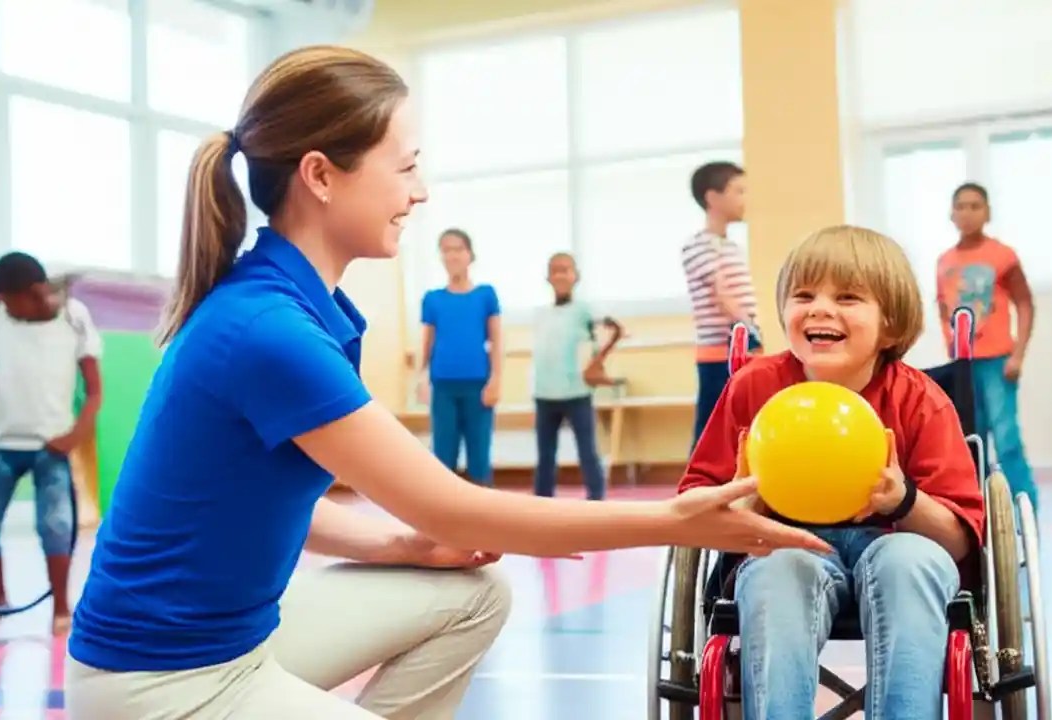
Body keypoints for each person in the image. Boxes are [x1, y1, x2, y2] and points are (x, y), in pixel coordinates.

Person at [64, 45, 824, 720]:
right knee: (464, 559)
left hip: (237, 642)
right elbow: (457, 510)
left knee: (471, 595)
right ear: (321, 176)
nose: (421, 191)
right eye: (405, 166)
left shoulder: (305, 307)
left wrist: (399, 543)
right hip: (163, 686)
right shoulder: (269, 331)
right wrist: (673, 522)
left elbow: (264, 501)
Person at [681, 225, 985, 719]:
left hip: (893, 544)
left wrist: (903, 500)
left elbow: (957, 542)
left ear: (890, 324)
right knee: (780, 566)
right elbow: (691, 512)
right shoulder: (753, 388)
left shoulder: (921, 401)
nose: (821, 308)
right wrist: (742, 506)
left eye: (847, 297)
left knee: (907, 560)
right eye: (804, 295)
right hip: (783, 545)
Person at [0, 251, 102, 637]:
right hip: (1, 443)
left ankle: (61, 609)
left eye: (7, 296)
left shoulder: (74, 318)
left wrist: (75, 435)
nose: (0, 303)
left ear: (34, 292)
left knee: (56, 526)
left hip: (50, 446)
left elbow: (94, 390)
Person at [936, 182, 1039, 512]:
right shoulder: (944, 261)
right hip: (962, 365)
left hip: (998, 361)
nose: (967, 213)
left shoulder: (1002, 255)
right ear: (951, 213)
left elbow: (1025, 303)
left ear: (988, 212)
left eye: (975, 206)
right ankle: (979, 515)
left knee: (1006, 440)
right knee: (970, 442)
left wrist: (1018, 353)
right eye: (961, 206)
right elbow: (943, 308)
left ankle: (1025, 515)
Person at [681, 161, 760, 447]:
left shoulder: (731, 247)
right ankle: (695, 487)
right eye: (738, 191)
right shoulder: (698, 246)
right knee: (711, 429)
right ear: (713, 198)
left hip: (742, 347)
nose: (744, 199)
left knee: (740, 424)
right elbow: (723, 295)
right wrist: (752, 331)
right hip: (719, 352)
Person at [415, 228, 501, 487]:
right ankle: (444, 520)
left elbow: (497, 340)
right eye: (446, 250)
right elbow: (427, 342)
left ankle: (484, 517)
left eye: (458, 249)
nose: (452, 255)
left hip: (478, 385)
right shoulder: (432, 299)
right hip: (443, 386)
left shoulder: (486, 294)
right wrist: (421, 377)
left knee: (479, 455)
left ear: (470, 254)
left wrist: (496, 379)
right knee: (443, 455)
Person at [531, 252, 613, 500]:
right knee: (545, 455)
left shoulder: (585, 311)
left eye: (565, 270)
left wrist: (598, 363)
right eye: (555, 270)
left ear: (576, 275)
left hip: (577, 392)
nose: (560, 275)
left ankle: (597, 502)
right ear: (547, 277)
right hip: (545, 393)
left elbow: (601, 339)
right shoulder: (541, 314)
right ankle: (542, 504)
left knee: (587, 451)